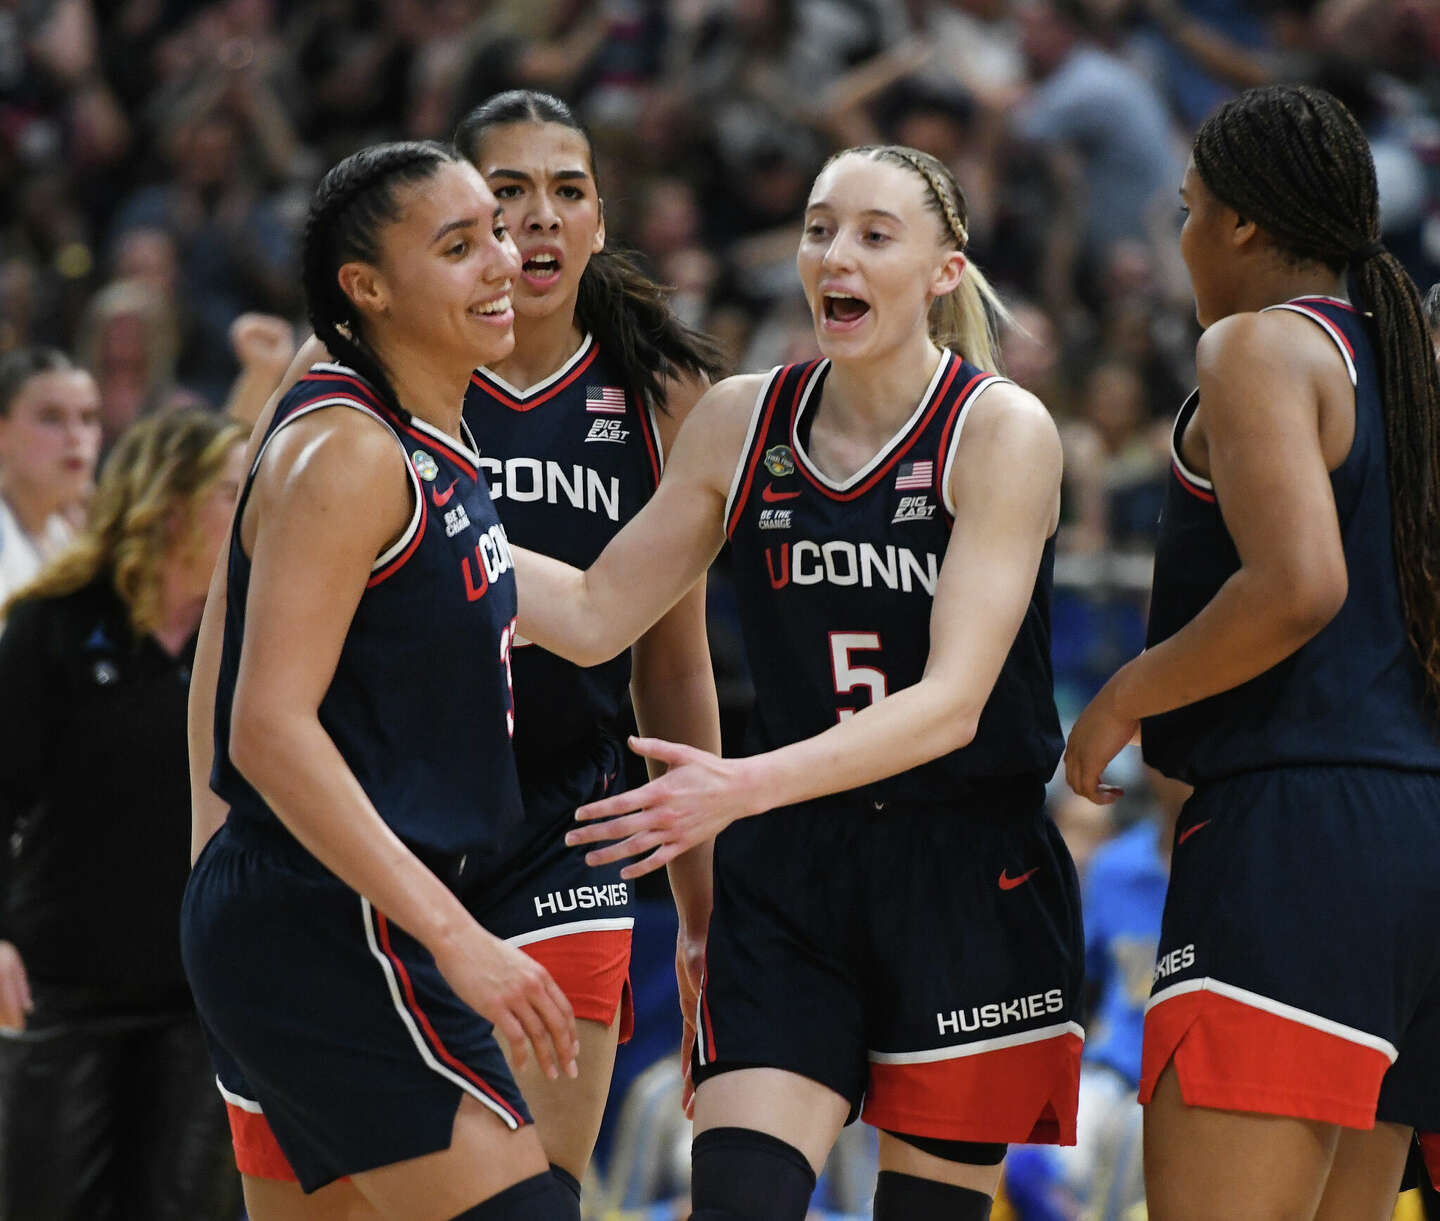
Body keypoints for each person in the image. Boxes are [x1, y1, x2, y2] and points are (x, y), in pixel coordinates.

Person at [514, 144, 1084, 1221]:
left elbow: (952, 704)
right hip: (792, 875)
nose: (836, 256)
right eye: (820, 230)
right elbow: (594, 613)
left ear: (944, 271)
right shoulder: (742, 420)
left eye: (875, 234)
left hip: (965, 870)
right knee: (737, 1201)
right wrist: (429, 516)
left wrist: (737, 785)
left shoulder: (1001, 429)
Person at [264, 89, 726, 1210]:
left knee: (534, 1193)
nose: (539, 218)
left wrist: (704, 908)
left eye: (568, 190)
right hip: (379, 823)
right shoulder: (349, 383)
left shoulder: (660, 393)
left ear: (600, 222)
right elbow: (248, 650)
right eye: (506, 193)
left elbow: (670, 662)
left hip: (563, 825)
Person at [180, 140, 580, 1221]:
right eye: (458, 247)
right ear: (367, 289)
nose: (502, 260)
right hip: (332, 919)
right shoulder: (351, 451)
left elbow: (594, 614)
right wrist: (458, 937)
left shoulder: (429, 425)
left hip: (320, 910)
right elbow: (266, 724)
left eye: (495, 230)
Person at [1064, 84, 1440, 1221]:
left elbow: (1297, 585)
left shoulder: (1259, 345)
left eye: (1187, 210)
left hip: (1296, 837)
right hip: (1414, 843)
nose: (1181, 237)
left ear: (1239, 222)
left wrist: (1122, 696)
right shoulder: (1407, 367)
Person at [0, 407, 246, 1221]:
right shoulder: (53, 623)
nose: (252, 510)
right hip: (63, 989)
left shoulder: (256, 634)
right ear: (169, 504)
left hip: (202, 994)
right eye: (230, 490)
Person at [0, 348, 102, 620]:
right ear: (2, 431)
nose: (76, 436)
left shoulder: (73, 539)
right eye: (51, 417)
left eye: (88, 418)